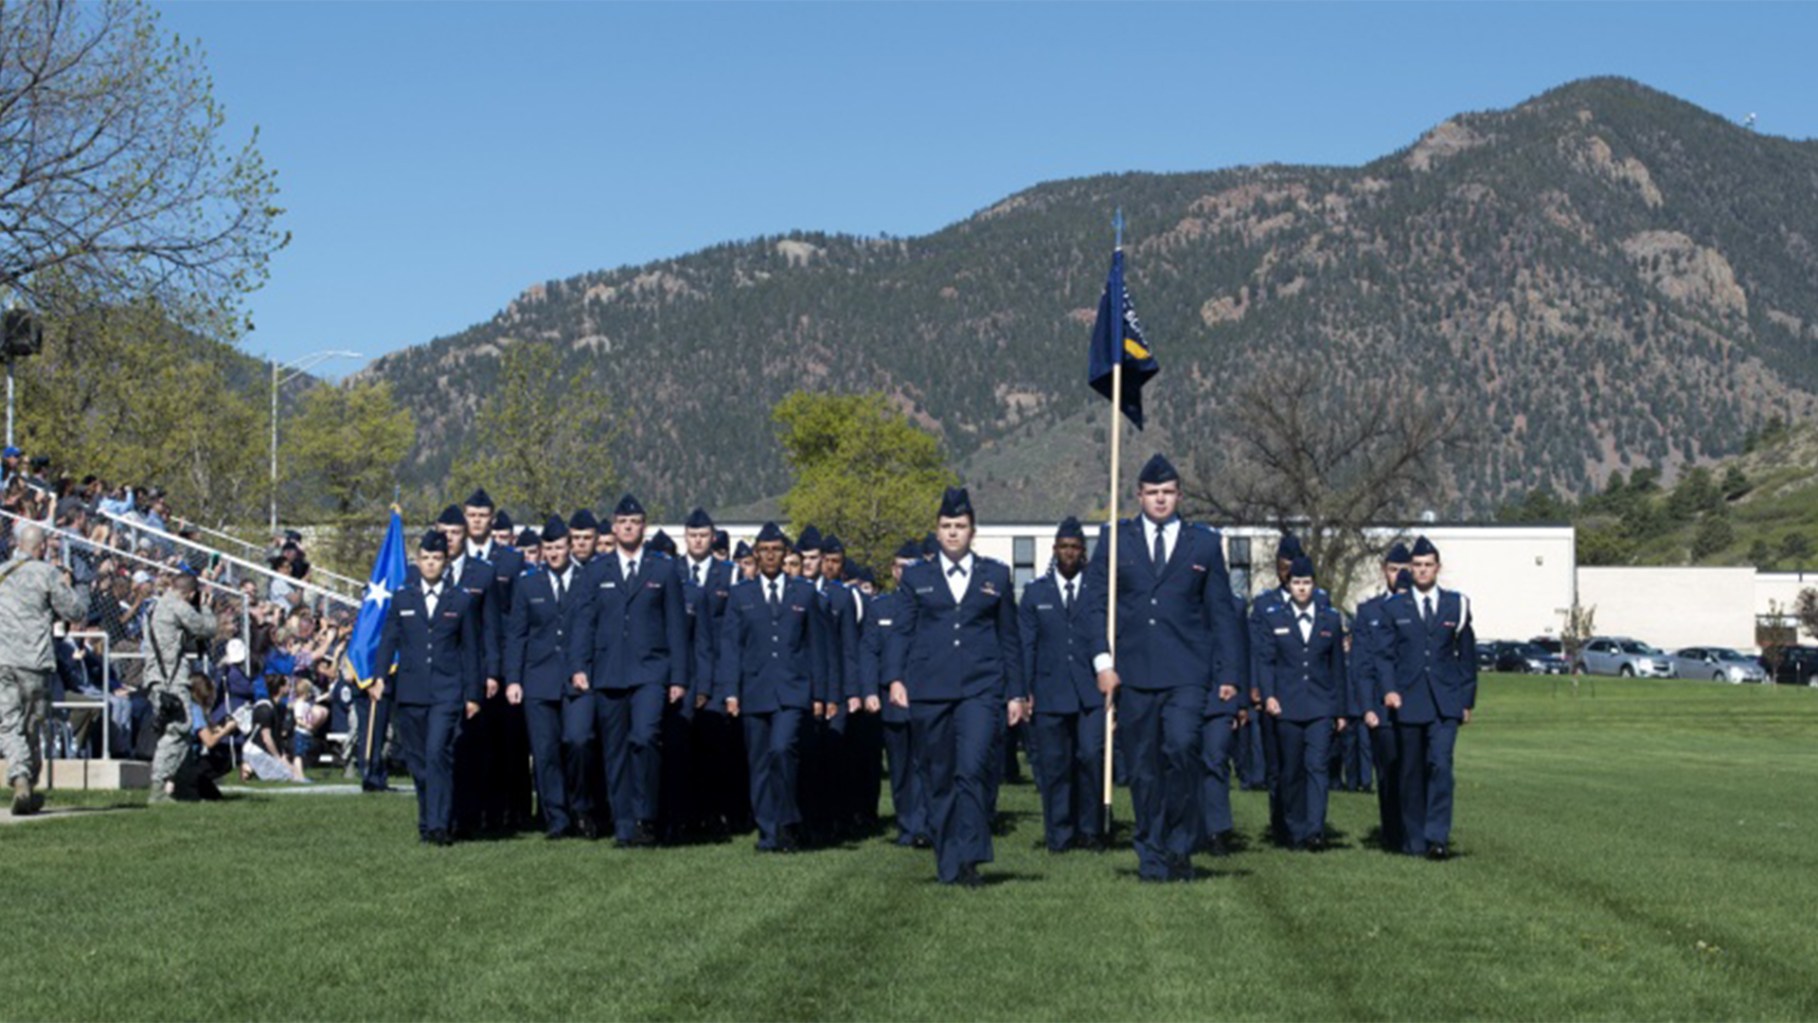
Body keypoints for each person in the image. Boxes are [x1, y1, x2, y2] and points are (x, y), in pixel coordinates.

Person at [1086, 454, 1243, 883]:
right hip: (1133, 673)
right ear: (1139, 495)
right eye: (1152, 492)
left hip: (1187, 671)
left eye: (1168, 492)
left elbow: (1222, 612)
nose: (1160, 499)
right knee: (1143, 768)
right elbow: (1094, 605)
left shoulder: (1204, 544)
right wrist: (1103, 663)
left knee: (1181, 747)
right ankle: (1152, 855)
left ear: (1179, 495)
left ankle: (1180, 847)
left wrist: (1229, 673)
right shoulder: (1116, 539)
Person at [885, 487, 1026, 887]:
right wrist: (895, 678)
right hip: (930, 689)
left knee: (973, 769)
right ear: (937, 530)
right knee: (939, 776)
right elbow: (901, 631)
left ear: (972, 531)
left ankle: (971, 857)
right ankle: (949, 860)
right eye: (946, 525)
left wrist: (1016, 692)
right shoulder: (916, 577)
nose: (952, 532)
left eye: (960, 526)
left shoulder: (995, 575)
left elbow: (1009, 638)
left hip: (981, 689)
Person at [567, 494, 689, 848]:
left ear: (643, 527)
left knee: (645, 738)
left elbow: (676, 627)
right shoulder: (596, 571)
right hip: (609, 671)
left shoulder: (663, 569)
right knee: (616, 751)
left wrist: (679, 676)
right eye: (622, 522)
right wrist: (579, 666)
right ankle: (624, 824)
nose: (628, 528)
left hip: (651, 670)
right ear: (614, 527)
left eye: (634, 522)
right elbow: (584, 622)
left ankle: (645, 817)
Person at [713, 522, 826, 852]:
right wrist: (730, 691)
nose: (770, 556)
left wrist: (820, 693)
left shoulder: (804, 592)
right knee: (760, 762)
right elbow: (731, 646)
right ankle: (768, 831)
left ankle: (788, 822)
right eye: (764, 550)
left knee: (781, 749)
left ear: (786, 553)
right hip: (755, 688)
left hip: (792, 689)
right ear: (756, 554)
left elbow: (816, 647)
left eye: (776, 550)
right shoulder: (741, 594)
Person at [372, 529, 484, 845]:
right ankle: (427, 821)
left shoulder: (461, 600)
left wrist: (472, 694)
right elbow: (388, 640)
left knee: (437, 753)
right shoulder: (402, 598)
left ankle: (438, 826)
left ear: (446, 562)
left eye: (436, 558)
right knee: (419, 762)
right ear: (417, 561)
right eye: (425, 558)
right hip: (411, 690)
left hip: (447, 690)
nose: (431, 563)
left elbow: (471, 650)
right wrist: (379, 676)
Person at [1377, 536, 1476, 859]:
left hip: (1445, 701)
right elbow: (1384, 656)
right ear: (1411, 568)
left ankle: (1437, 838)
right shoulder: (1394, 607)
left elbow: (1467, 656)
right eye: (1417, 565)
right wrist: (1389, 689)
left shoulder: (1456, 605)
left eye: (1428, 565)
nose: (1422, 570)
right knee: (1411, 771)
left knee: (1441, 766)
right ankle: (1414, 838)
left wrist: (1466, 700)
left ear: (1437, 568)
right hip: (1408, 700)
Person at [1018, 517, 1106, 853]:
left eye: (1075, 547)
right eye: (1064, 547)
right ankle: (1060, 833)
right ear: (1055, 550)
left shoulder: (1098, 591)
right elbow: (1027, 644)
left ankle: (1090, 829)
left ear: (1084, 552)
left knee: (1090, 758)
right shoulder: (1035, 592)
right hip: (1050, 691)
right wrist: (1024, 689)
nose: (1069, 553)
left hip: (1089, 692)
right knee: (1054, 765)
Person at [1256, 555, 1347, 851]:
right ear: (1289, 585)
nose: (1302, 588)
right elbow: (1266, 661)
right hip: (1287, 705)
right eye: (1296, 583)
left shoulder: (1330, 619)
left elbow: (1337, 668)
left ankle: (1315, 830)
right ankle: (1295, 829)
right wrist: (1269, 695)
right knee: (1292, 769)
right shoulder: (1275, 617)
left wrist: (1340, 710)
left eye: (1306, 582)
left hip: (1321, 705)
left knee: (1317, 766)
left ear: (1314, 585)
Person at [0, 523, 85, 815]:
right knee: (33, 725)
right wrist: (66, 583)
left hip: (3, 659)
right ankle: (27, 779)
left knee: (8, 724)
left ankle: (21, 778)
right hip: (34, 661)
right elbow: (76, 611)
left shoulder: (2, 572)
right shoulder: (46, 573)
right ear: (42, 547)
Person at [506, 516, 581, 839]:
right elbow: (517, 635)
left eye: (559, 547)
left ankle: (580, 807)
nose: (554, 553)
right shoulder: (529, 584)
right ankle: (557, 817)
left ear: (569, 546)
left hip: (576, 678)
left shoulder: (586, 579)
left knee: (577, 743)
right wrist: (513, 679)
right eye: (548, 548)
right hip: (538, 678)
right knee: (545, 751)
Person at [861, 541, 928, 847]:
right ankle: (908, 824)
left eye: (913, 567)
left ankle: (926, 824)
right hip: (892, 699)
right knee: (900, 767)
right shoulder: (881, 607)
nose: (906, 572)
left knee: (926, 764)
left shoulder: (931, 604)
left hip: (926, 695)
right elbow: (869, 651)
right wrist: (869, 690)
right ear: (893, 570)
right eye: (901, 567)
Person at [143, 572, 227, 804]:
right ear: (190, 593)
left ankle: (179, 785)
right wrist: (206, 608)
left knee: (176, 730)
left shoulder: (156, 606)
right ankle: (159, 787)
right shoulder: (177, 606)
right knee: (178, 729)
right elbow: (207, 629)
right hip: (171, 678)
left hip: (156, 675)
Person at [1351, 544, 1411, 852]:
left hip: (1416, 703)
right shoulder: (1370, 612)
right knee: (1388, 772)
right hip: (1381, 707)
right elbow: (1361, 665)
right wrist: (1366, 707)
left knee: (1416, 770)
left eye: (1405, 569)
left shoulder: (1424, 608)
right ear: (1384, 571)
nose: (1399, 575)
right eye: (1393, 569)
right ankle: (1393, 833)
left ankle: (1415, 831)